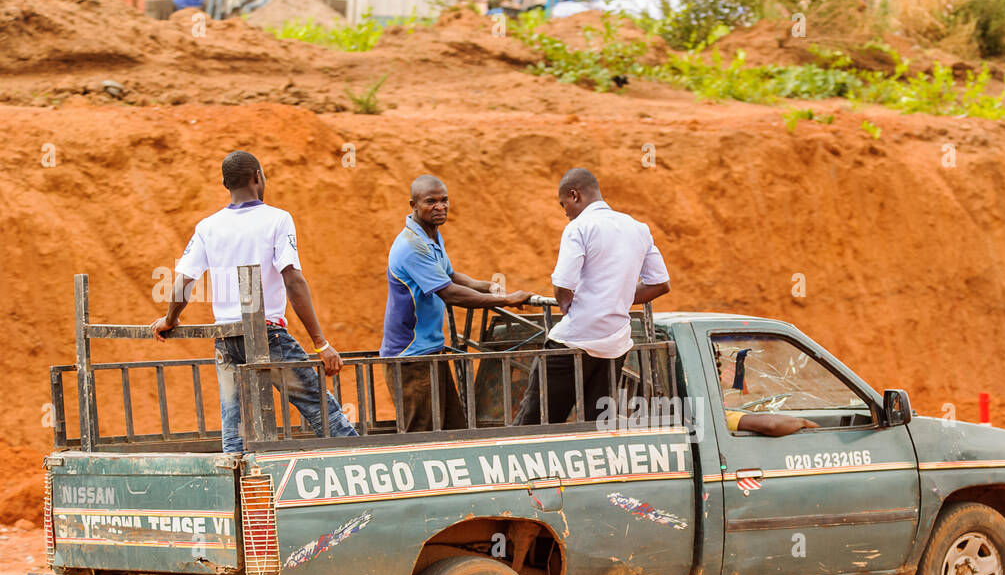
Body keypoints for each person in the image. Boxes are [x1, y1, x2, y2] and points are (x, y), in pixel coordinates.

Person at [152, 150, 357, 452]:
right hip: (267, 335)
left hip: (226, 338)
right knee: (319, 406)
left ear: (225, 183)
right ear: (257, 177)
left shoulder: (208, 226)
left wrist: (170, 319)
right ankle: (364, 461)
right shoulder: (278, 219)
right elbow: (293, 279)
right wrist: (321, 344)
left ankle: (238, 487)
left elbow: (184, 280)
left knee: (234, 421)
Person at [513, 168, 671, 426]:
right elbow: (660, 284)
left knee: (536, 421)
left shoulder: (579, 227)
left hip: (575, 340)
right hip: (615, 345)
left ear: (574, 195)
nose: (565, 213)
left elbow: (563, 286)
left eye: (564, 206)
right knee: (596, 425)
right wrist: (614, 299)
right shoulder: (638, 228)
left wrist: (570, 306)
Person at [382, 175, 533, 432]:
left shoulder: (430, 237)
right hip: (410, 359)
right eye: (431, 201)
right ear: (413, 205)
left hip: (430, 353)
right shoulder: (412, 246)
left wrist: (485, 285)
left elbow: (450, 275)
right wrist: (504, 299)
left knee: (453, 430)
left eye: (444, 200)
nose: (440, 207)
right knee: (421, 437)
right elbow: (450, 293)